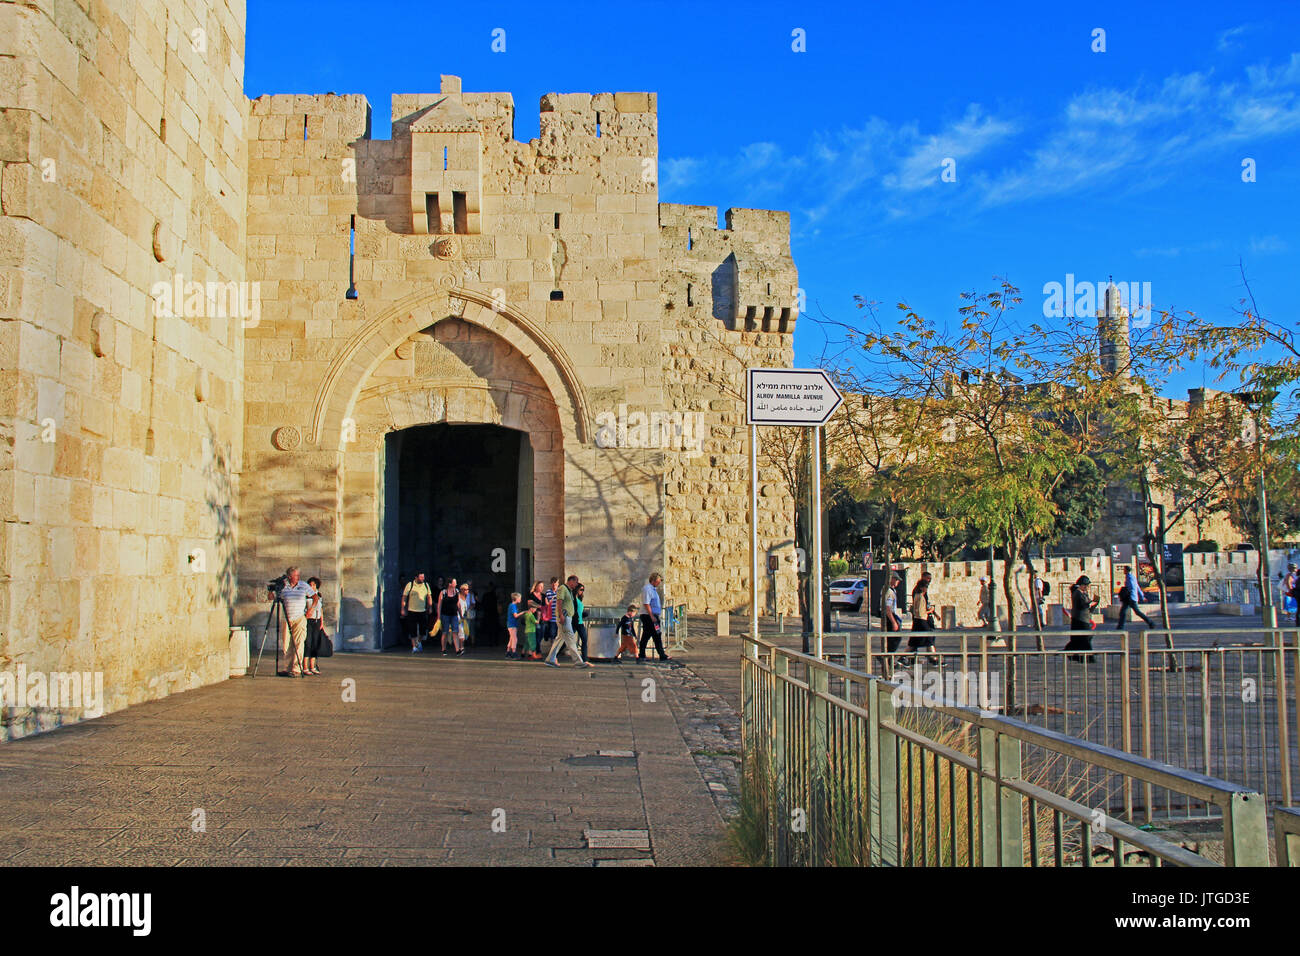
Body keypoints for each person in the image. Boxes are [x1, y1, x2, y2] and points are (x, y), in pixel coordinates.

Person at [545, 574, 593, 668]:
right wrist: (561, 615)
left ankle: (550, 659)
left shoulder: (568, 590)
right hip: (564, 617)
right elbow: (559, 601)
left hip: (567, 617)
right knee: (571, 639)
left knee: (559, 639)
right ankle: (578, 662)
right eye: (575, 582)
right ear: (571, 581)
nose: (576, 585)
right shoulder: (563, 588)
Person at [276, 566, 313, 678]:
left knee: (299, 643)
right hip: (287, 618)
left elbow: (315, 597)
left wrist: (310, 610)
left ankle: (296, 669)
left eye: (298, 575)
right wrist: (272, 591)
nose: (298, 577)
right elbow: (274, 598)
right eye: (295, 575)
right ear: (289, 577)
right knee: (286, 644)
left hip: (299, 618)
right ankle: (287, 668)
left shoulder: (303, 585)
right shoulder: (284, 587)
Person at [1064, 575, 1101, 661]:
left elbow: (1088, 607)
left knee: (1079, 639)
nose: (1088, 587)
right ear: (1082, 585)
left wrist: (1094, 604)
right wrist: (1090, 603)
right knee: (1084, 638)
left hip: (1085, 618)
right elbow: (1081, 605)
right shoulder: (1077, 593)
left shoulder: (1084, 594)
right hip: (1079, 619)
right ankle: (1088, 657)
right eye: (1087, 585)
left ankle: (1073, 654)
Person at [637, 572, 670, 663]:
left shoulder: (653, 589)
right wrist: (652, 616)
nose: (659, 583)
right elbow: (646, 603)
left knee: (646, 635)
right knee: (656, 634)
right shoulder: (647, 589)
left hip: (652, 615)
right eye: (658, 581)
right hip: (649, 616)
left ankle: (642, 655)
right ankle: (662, 655)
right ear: (653, 580)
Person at [906, 579, 938, 663]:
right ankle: (934, 659)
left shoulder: (918, 595)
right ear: (922, 587)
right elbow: (920, 612)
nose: (926, 588)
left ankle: (902, 658)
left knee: (913, 643)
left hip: (918, 621)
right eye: (925, 587)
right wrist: (930, 611)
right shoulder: (920, 597)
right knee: (929, 638)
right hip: (921, 621)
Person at [1116, 565, 1155, 630]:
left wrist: (1126, 592)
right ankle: (1120, 626)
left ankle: (1151, 623)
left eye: (1124, 570)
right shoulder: (1132, 577)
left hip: (1130, 598)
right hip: (1132, 597)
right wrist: (1142, 596)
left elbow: (1132, 587)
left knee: (1133, 612)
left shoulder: (1129, 577)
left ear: (1126, 570)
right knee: (1125, 611)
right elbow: (1137, 587)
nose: (1123, 571)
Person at [402, 571, 432, 654]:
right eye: (421, 577)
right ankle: (414, 646)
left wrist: (430, 607)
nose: (423, 578)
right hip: (412, 610)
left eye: (423, 577)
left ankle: (418, 642)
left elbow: (429, 597)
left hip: (422, 610)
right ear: (416, 577)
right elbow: (404, 597)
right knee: (412, 629)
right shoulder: (410, 585)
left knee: (423, 630)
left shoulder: (426, 585)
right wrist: (403, 608)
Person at [303, 575, 326, 675]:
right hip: (309, 620)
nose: (312, 586)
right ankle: (305, 667)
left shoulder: (319, 596)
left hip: (317, 621)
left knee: (315, 643)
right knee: (308, 643)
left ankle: (312, 666)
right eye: (310, 585)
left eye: (313, 585)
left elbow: (321, 610)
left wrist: (322, 622)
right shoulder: (305, 596)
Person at [439, 578, 464, 655]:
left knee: (455, 632)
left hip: (454, 615)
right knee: (445, 632)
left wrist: (460, 614)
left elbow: (458, 604)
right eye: (454, 582)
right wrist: (438, 617)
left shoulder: (456, 591)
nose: (456, 584)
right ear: (450, 584)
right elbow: (439, 605)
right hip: (445, 615)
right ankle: (443, 649)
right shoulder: (443, 592)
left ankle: (457, 650)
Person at [524, 580, 546, 660]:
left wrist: (537, 606)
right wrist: (539, 606)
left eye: (542, 586)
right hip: (533, 618)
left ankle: (533, 652)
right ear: (536, 586)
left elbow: (545, 606)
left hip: (542, 618)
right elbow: (530, 604)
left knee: (540, 635)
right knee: (535, 636)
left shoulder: (543, 595)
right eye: (540, 586)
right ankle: (535, 652)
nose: (541, 588)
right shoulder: (531, 595)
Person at [883, 573, 903, 651]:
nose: (898, 581)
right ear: (892, 579)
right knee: (895, 639)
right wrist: (893, 622)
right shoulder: (889, 591)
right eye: (897, 579)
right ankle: (887, 658)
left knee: (894, 639)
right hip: (890, 617)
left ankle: (888, 658)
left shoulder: (892, 590)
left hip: (892, 616)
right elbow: (887, 607)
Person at [541, 577, 559, 652]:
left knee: (559, 635)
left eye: (556, 584)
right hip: (551, 617)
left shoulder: (560, 592)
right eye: (553, 584)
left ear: (558, 584)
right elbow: (546, 604)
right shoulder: (548, 592)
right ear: (551, 584)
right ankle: (553, 650)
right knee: (552, 634)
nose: (554, 586)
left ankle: (556, 650)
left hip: (559, 617)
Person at [573, 583, 589, 661]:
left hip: (579, 621)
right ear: (577, 589)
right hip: (574, 622)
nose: (582, 591)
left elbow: (579, 611)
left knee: (584, 639)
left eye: (583, 590)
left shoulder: (579, 599)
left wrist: (583, 614)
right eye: (581, 589)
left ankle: (585, 659)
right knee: (565, 639)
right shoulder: (573, 599)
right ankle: (554, 655)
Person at [456, 583, 472, 655]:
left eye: (468, 589)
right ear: (462, 590)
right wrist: (461, 616)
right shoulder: (458, 598)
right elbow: (458, 608)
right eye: (466, 590)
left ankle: (461, 648)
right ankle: (461, 648)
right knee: (461, 633)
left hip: (462, 618)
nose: (467, 591)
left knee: (462, 633)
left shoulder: (465, 598)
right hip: (458, 618)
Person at [506, 591, 522, 659]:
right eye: (519, 598)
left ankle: (508, 652)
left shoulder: (511, 605)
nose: (520, 599)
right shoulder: (513, 606)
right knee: (514, 639)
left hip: (511, 624)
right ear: (516, 598)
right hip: (512, 625)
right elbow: (515, 615)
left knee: (511, 639)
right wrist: (523, 613)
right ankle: (514, 652)